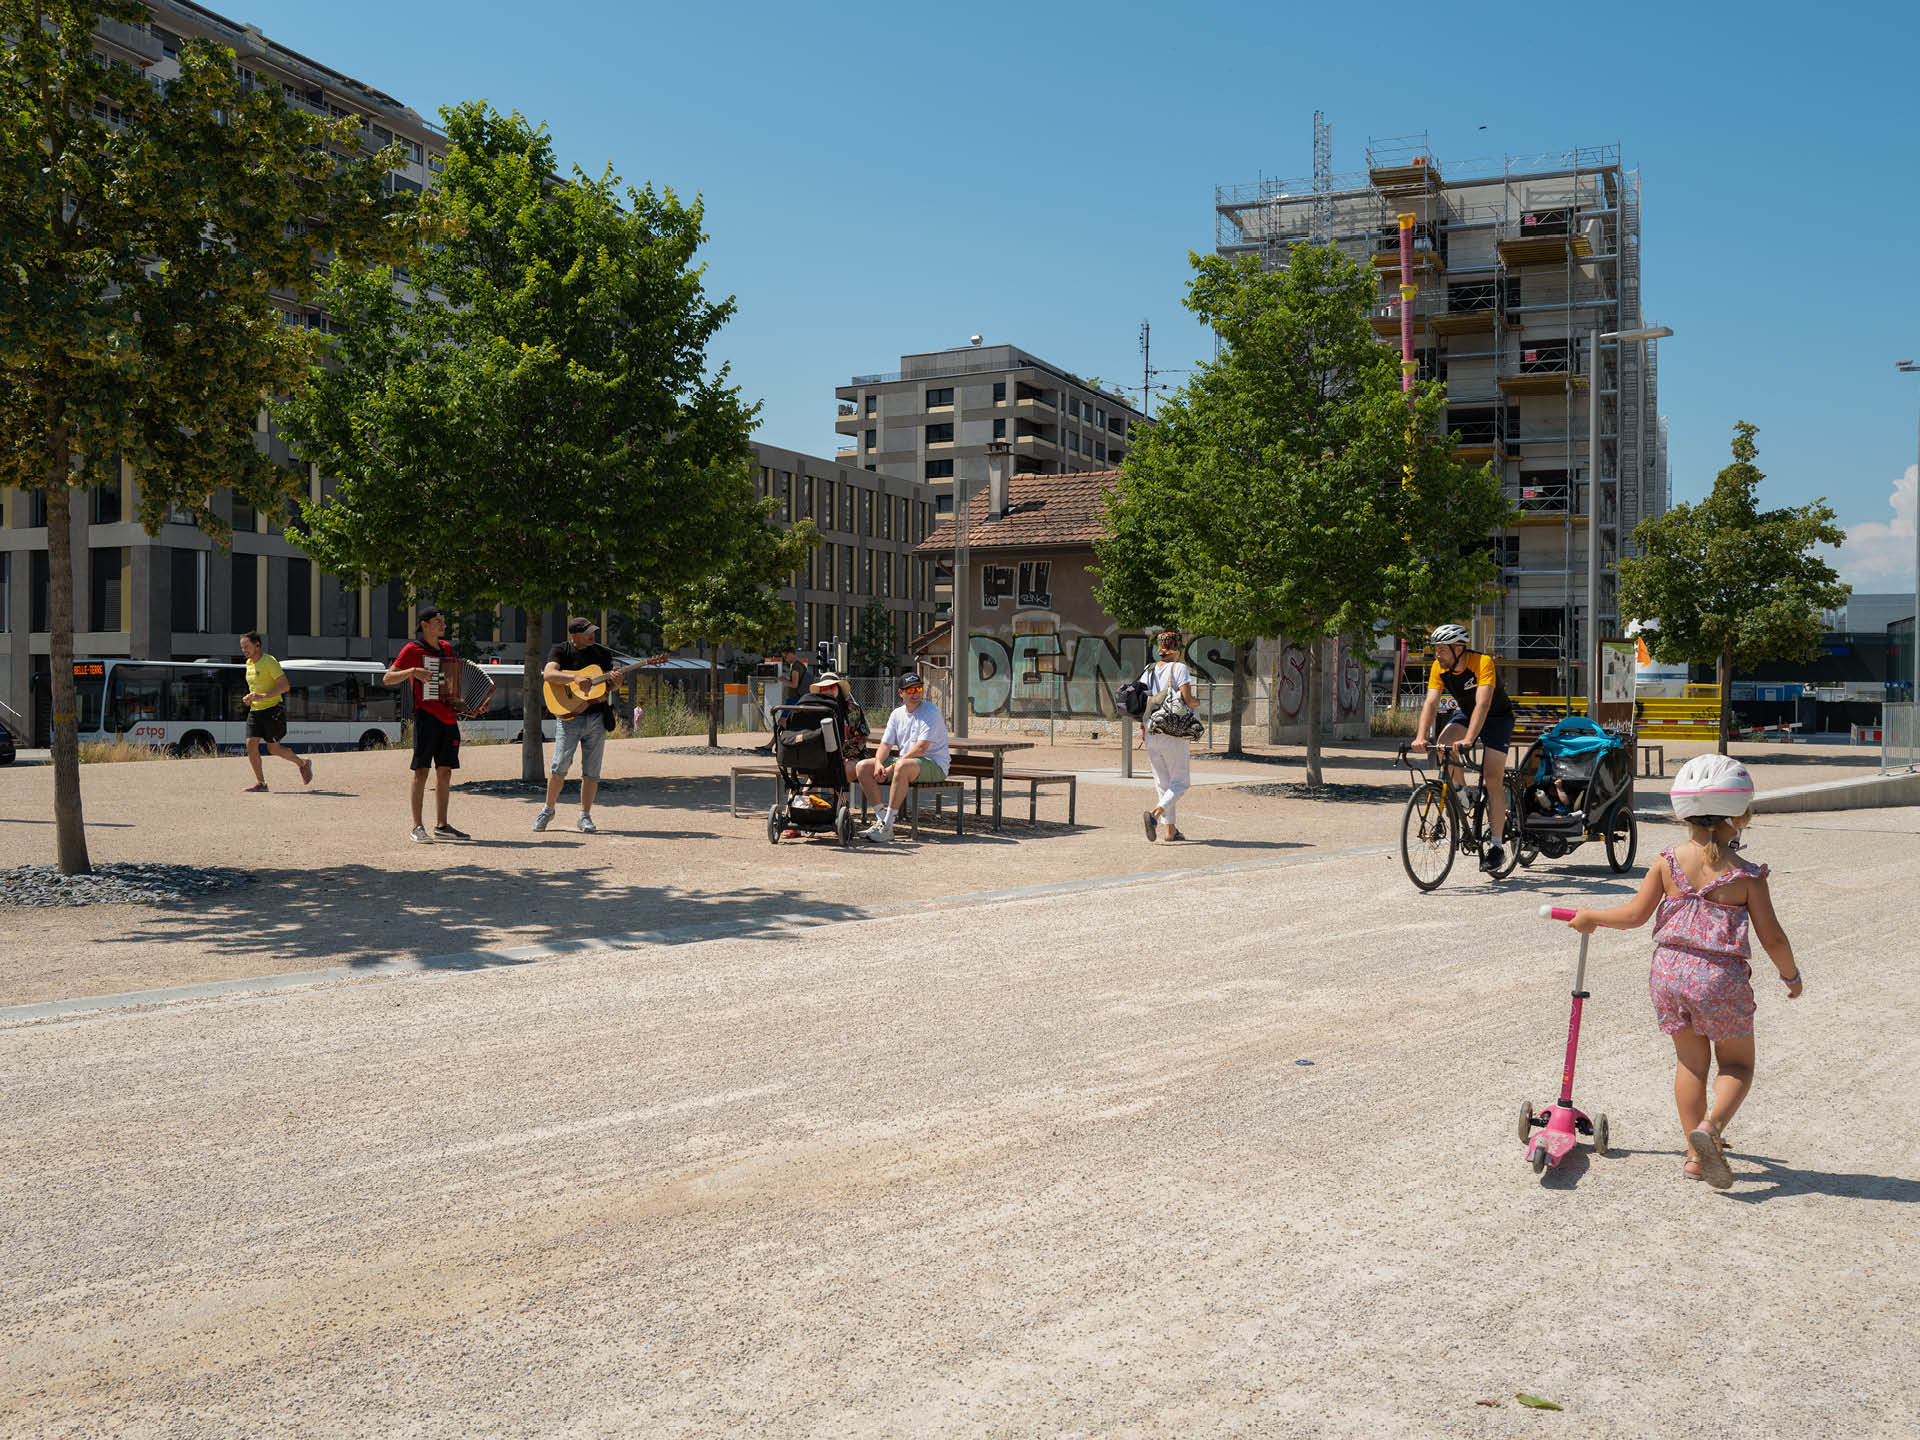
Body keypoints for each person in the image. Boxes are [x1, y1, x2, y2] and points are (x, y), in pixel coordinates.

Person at [1565, 755, 1801, 1189]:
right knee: (1737, 1065)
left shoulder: (1667, 862)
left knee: (1691, 1065)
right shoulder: (1747, 876)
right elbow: (1773, 938)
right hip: (1720, 980)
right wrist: (1791, 977)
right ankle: (1710, 1129)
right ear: (1740, 814)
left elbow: (1634, 916)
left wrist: (1590, 915)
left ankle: (1695, 1157)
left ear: (1682, 812)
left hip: (1669, 974)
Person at [1415, 623, 1516, 873]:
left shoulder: (1482, 663)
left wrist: (1470, 739)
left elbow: (1483, 704)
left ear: (1458, 648)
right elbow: (1431, 702)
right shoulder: (1439, 667)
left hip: (1497, 718)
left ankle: (1496, 846)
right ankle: (1461, 793)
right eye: (1436, 649)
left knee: (1492, 778)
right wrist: (1420, 737)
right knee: (1443, 745)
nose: (1437, 654)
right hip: (1467, 713)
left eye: (1442, 649)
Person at [384, 606, 469, 843]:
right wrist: (412, 671)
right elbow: (387, 678)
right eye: (438, 621)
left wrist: (470, 704)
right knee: (421, 771)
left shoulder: (447, 648)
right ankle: (417, 826)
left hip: (449, 718)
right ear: (424, 624)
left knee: (445, 772)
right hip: (426, 716)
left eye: (444, 621)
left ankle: (442, 826)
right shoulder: (413, 649)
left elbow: (453, 685)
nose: (444, 625)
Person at [534, 617, 618, 833]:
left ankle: (584, 816)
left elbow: (607, 686)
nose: (592, 635)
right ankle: (548, 810)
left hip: (596, 717)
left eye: (593, 631)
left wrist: (615, 684)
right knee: (559, 765)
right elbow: (549, 674)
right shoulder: (560, 650)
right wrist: (574, 678)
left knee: (592, 770)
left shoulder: (602, 654)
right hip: (569, 718)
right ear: (574, 635)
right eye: (587, 632)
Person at [856, 671, 950, 843]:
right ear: (901, 693)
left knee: (901, 766)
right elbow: (885, 745)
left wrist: (892, 766)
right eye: (911, 690)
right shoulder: (897, 714)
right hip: (907, 762)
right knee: (863, 767)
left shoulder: (931, 712)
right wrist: (878, 764)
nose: (916, 693)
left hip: (935, 764)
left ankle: (887, 826)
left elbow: (921, 749)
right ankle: (882, 821)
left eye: (919, 689)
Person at [1139, 629, 1196, 842]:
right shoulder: (1179, 668)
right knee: (1181, 782)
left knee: (1163, 783)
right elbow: (1187, 699)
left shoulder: (1148, 670)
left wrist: (1143, 727)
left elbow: (1143, 701)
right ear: (1177, 650)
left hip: (1151, 731)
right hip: (1173, 732)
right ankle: (1155, 815)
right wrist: (1197, 702)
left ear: (1160, 650)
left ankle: (1170, 831)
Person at [237, 631, 312, 792]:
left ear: (257, 645)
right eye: (242, 647)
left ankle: (303, 763)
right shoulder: (248, 664)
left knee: (274, 749)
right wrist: (249, 697)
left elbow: (285, 686)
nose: (244, 650)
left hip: (272, 710)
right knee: (251, 744)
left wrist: (263, 696)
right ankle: (261, 783)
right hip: (255, 711)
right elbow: (256, 688)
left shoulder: (269, 661)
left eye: (247, 647)